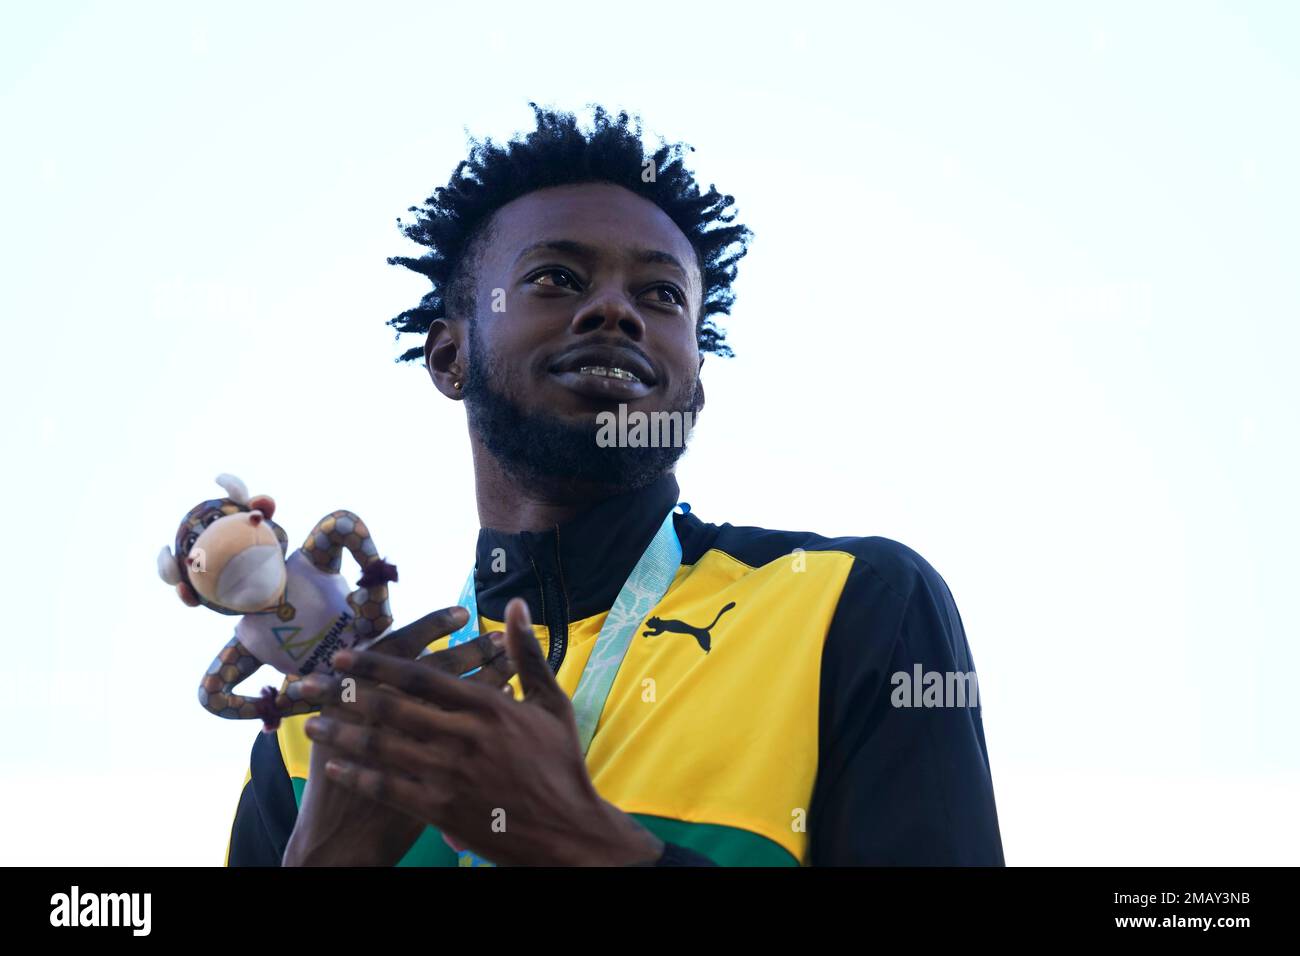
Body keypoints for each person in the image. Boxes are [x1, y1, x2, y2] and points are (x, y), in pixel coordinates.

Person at [208, 104, 1004, 866]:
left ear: (693, 384)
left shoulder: (850, 605)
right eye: (556, 278)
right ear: (451, 358)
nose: (616, 310)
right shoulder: (329, 732)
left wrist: (589, 847)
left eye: (662, 296)